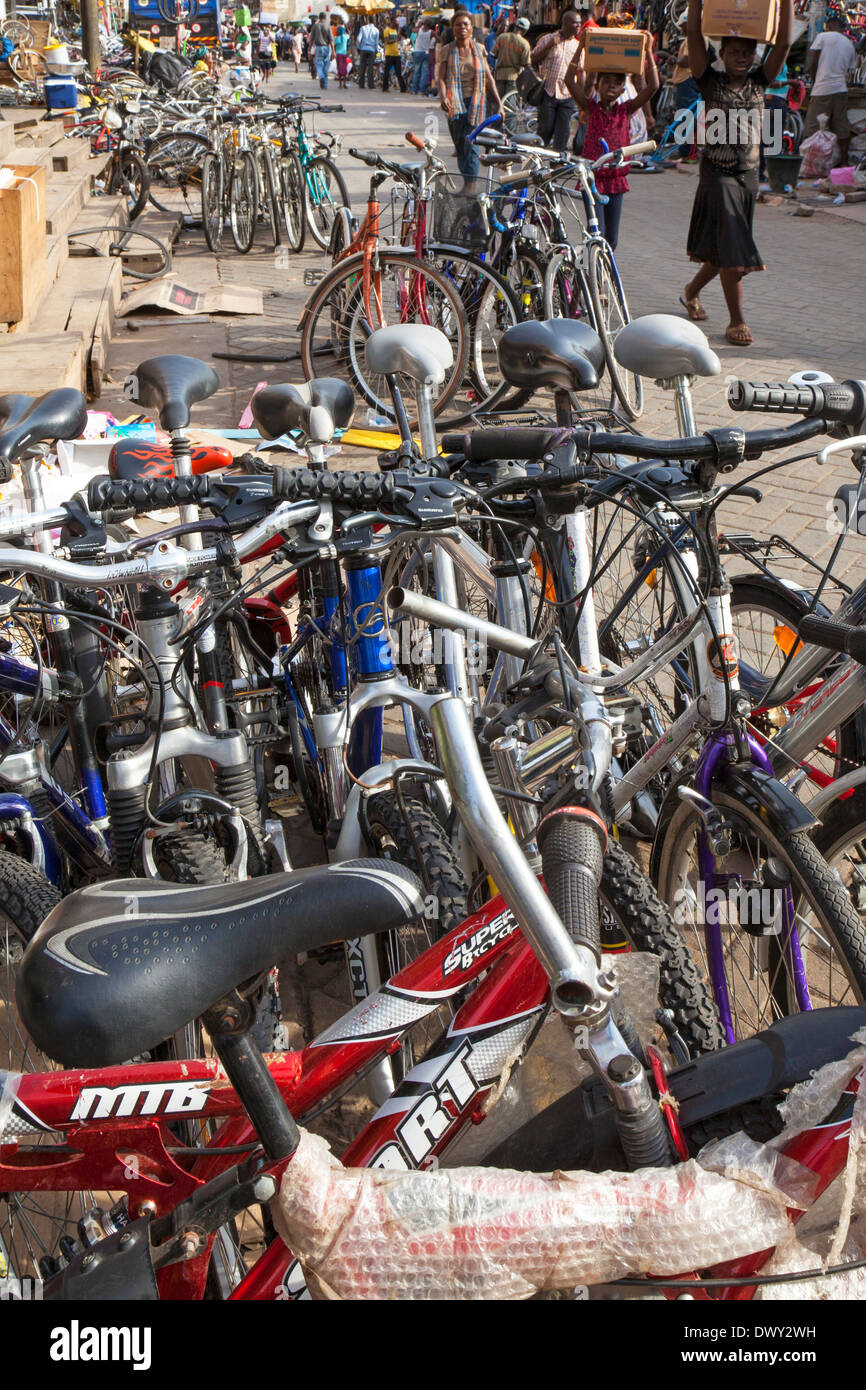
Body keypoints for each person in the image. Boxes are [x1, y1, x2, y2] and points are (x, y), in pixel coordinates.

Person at [681, 0, 794, 346]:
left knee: (724, 249)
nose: (742, 57)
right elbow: (695, 35)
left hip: (748, 178)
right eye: (735, 52)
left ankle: (691, 291)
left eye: (748, 52)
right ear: (722, 53)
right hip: (717, 175)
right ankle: (736, 321)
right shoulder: (708, 81)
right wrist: (696, 3)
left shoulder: (761, 82)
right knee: (732, 248)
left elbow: (785, 43)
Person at [565, 52, 658, 250]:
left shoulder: (626, 110)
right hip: (593, 179)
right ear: (597, 86)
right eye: (606, 81)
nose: (612, 86)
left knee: (612, 240)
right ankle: (591, 273)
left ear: (623, 89)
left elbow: (654, 86)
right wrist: (581, 46)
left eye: (617, 83)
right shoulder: (590, 108)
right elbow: (568, 80)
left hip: (617, 180)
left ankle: (604, 274)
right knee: (596, 234)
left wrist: (648, 50)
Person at [437, 7, 504, 188]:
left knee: (472, 144)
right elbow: (440, 78)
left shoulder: (480, 49)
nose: (462, 28)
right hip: (454, 104)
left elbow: (488, 78)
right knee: (460, 145)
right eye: (458, 25)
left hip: (476, 103)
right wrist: (443, 96)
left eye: (465, 24)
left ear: (471, 27)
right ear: (453, 28)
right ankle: (467, 180)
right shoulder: (446, 50)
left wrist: (499, 104)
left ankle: (470, 186)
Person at [803, 9, 856, 165]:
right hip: (840, 89)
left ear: (830, 25)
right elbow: (849, 70)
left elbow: (813, 62)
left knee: (812, 128)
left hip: (822, 89)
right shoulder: (849, 44)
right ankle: (844, 162)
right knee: (841, 126)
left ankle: (810, 163)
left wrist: (814, 82)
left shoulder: (822, 36)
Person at [531, 8, 582, 152]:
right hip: (548, 92)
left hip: (567, 95)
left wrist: (582, 97)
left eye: (579, 23)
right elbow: (533, 59)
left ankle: (557, 164)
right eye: (575, 23)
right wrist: (549, 45)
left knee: (563, 132)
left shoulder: (578, 46)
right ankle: (537, 158)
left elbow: (581, 71)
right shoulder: (548, 39)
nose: (578, 26)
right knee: (545, 129)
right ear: (565, 23)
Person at [491, 17, 531, 99]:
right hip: (514, 77)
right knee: (509, 104)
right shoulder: (525, 44)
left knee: (498, 102)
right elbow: (526, 63)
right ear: (524, 31)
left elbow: (493, 55)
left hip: (499, 75)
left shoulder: (501, 37)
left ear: (515, 26)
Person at [310, 11, 335, 89]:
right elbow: (331, 40)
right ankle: (325, 85)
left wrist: (309, 49)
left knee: (318, 64)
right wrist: (333, 52)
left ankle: (321, 77)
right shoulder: (328, 27)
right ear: (325, 18)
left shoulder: (315, 26)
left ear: (319, 17)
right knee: (326, 66)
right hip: (327, 48)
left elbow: (311, 39)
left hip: (318, 47)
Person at [383, 17, 407, 92]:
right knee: (387, 71)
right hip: (389, 54)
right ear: (392, 22)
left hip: (396, 53)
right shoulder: (387, 30)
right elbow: (387, 41)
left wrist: (400, 34)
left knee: (399, 72)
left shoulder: (396, 30)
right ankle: (385, 87)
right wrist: (395, 39)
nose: (398, 23)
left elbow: (398, 39)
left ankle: (403, 88)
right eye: (396, 22)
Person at [412, 19, 434, 94]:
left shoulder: (418, 30)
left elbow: (413, 30)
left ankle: (414, 90)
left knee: (416, 71)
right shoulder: (432, 32)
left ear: (423, 24)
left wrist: (419, 24)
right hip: (426, 53)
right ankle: (422, 90)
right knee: (424, 72)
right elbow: (439, 40)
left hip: (417, 52)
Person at [334, 22, 350, 88]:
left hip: (338, 54)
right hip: (344, 54)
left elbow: (334, 46)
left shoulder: (337, 38)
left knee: (339, 69)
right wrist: (346, 27)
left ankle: (340, 84)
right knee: (344, 69)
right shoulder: (346, 36)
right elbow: (349, 34)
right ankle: (344, 83)